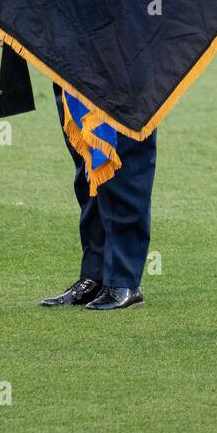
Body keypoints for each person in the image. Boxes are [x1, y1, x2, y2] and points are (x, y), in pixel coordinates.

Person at [37, 78, 157, 311]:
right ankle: (96, 276)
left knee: (124, 165)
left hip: (124, 61)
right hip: (74, 57)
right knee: (88, 170)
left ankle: (124, 281)